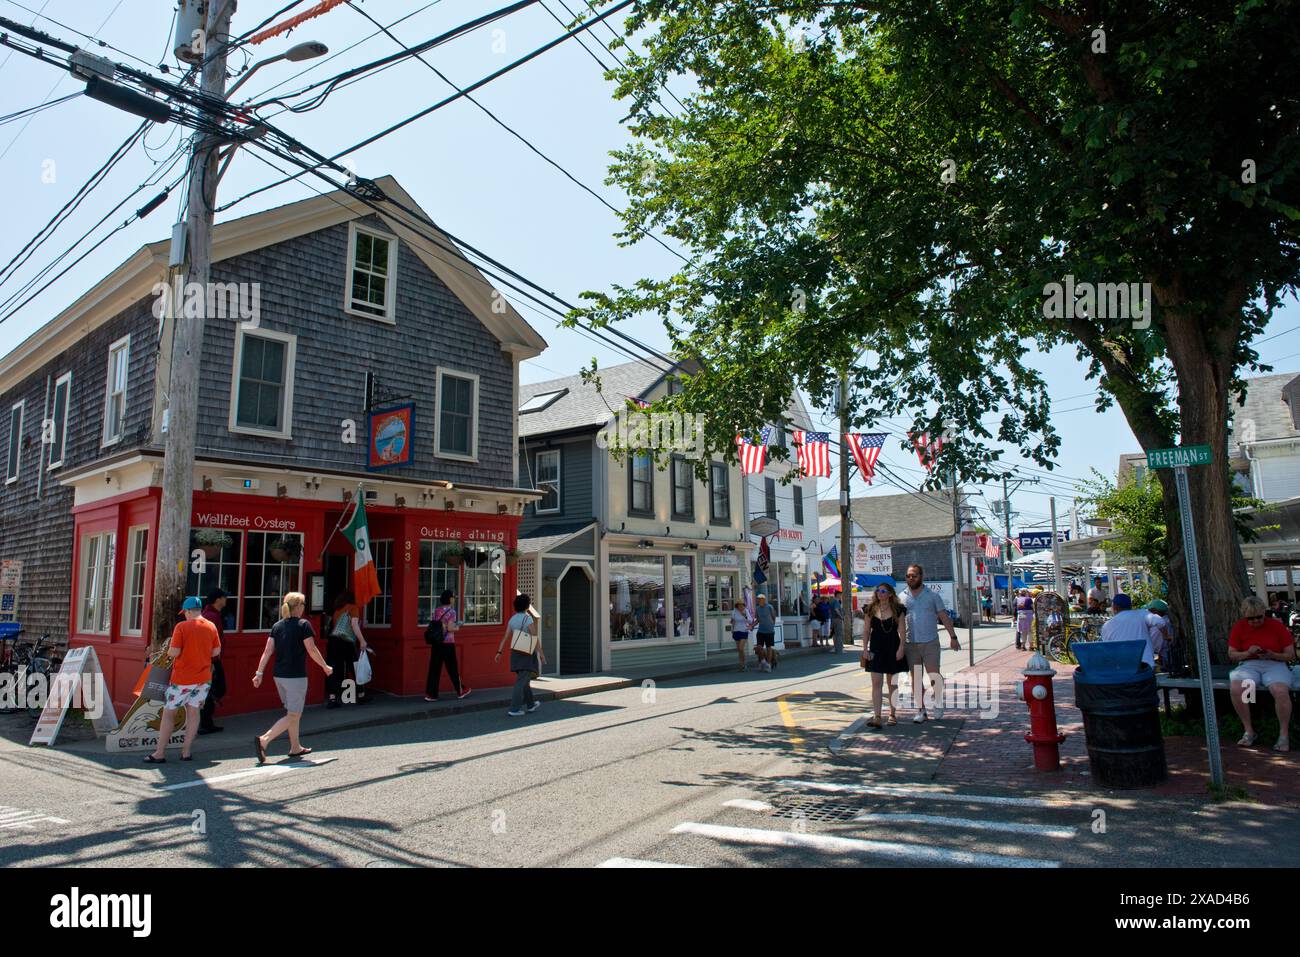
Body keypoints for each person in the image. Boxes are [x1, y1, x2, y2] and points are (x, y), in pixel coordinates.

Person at [252, 591, 333, 763]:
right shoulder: (304, 625)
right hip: (295, 676)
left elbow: (267, 652)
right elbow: (311, 649)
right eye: (303, 604)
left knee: (293, 713)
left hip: (279, 675)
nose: (304, 607)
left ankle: (295, 747)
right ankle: (264, 740)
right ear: (298, 607)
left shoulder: (277, 626)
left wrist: (259, 673)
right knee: (294, 714)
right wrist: (324, 666)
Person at [144, 596, 221, 764]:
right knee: (194, 713)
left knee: (169, 714)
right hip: (203, 678)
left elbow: (175, 652)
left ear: (187, 611)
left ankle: (159, 753)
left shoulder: (181, 627)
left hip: (182, 679)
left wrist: (168, 648)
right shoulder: (211, 626)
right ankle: (186, 751)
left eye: (185, 613)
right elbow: (216, 652)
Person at [1228, 595, 1296, 752]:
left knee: (1279, 690)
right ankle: (1249, 730)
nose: (1255, 621)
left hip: (1275, 664)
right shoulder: (1239, 627)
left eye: (1259, 617)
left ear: (1264, 613)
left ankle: (1283, 734)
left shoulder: (1276, 626)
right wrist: (1247, 653)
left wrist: (1273, 654)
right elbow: (1232, 654)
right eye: (1251, 619)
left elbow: (1290, 655)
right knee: (1239, 688)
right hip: (1250, 665)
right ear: (1245, 616)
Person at [899, 564, 959, 722]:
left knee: (934, 675)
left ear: (921, 577)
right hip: (910, 644)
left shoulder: (932, 595)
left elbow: (944, 617)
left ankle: (938, 703)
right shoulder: (901, 597)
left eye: (914, 575)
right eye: (908, 576)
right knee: (916, 678)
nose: (911, 578)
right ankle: (921, 710)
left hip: (930, 642)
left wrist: (953, 637)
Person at [862, 583, 908, 728]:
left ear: (890, 594)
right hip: (876, 649)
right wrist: (865, 649)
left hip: (893, 648)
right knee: (876, 683)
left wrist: (901, 648)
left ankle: (892, 714)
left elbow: (902, 631)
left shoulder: (898, 610)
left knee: (892, 684)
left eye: (883, 591)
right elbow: (866, 631)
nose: (880, 593)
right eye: (878, 591)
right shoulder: (870, 609)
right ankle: (877, 717)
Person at [495, 593, 544, 716]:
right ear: (527, 606)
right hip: (527, 652)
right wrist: (541, 653)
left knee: (524, 680)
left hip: (516, 652)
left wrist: (499, 652)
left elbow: (506, 637)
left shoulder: (512, 619)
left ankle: (531, 705)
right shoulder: (528, 619)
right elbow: (534, 637)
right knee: (521, 681)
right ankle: (514, 709)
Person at [324, 590, 369, 708]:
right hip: (347, 641)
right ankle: (361, 694)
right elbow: (354, 625)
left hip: (334, 641)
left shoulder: (337, 610)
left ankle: (332, 698)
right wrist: (362, 640)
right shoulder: (353, 608)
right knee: (355, 667)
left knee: (333, 669)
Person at [425, 589, 471, 701]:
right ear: (449, 599)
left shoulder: (437, 610)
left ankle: (431, 694)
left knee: (434, 668)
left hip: (437, 643)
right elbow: (450, 628)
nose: (454, 598)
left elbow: (439, 625)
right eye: (453, 597)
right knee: (452, 668)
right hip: (448, 643)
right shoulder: (452, 612)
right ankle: (460, 690)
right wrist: (458, 626)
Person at [198, 588, 228, 735]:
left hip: (213, 657)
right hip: (211, 659)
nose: (225, 600)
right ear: (218, 599)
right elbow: (208, 640)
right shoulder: (211, 616)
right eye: (224, 597)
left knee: (214, 689)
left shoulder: (212, 614)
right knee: (213, 689)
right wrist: (210, 661)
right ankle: (205, 723)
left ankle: (207, 722)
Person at [1098, 594, 1156, 668]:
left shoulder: (1107, 625)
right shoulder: (1143, 614)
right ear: (1130, 605)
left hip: (1122, 668)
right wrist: (1166, 636)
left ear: (1115, 607)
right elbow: (1161, 622)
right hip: (1146, 667)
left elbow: (1107, 649)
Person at [1144, 599, 1174, 671]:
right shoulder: (1168, 620)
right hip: (1165, 656)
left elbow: (1152, 645)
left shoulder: (1158, 625)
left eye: (1149, 610)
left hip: (1167, 660)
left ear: (1155, 611)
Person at [754, 594, 778, 671]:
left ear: (764, 600)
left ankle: (768, 664)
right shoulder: (757, 608)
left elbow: (774, 616)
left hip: (769, 631)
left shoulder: (769, 607)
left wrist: (772, 625)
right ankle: (763, 661)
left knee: (768, 648)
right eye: (757, 599)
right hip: (761, 630)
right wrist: (752, 626)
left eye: (760, 599)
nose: (758, 601)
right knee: (759, 647)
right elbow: (757, 619)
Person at [728, 600, 751, 671]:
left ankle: (743, 663)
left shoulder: (746, 611)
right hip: (736, 631)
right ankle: (742, 664)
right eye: (739, 605)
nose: (741, 607)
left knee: (741, 648)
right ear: (737, 606)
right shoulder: (734, 611)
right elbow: (731, 621)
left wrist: (745, 616)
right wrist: (732, 621)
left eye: (742, 605)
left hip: (744, 631)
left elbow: (750, 620)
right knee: (739, 650)